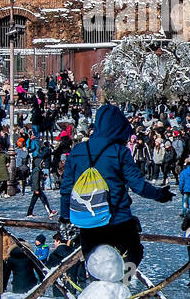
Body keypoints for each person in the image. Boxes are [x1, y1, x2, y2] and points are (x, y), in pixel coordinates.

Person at [59, 104, 173, 282]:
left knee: (95, 264)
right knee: (134, 252)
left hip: (87, 220)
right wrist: (160, 194)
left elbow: (66, 189)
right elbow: (138, 186)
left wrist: (65, 217)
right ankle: (122, 286)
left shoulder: (78, 151)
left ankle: (100, 296)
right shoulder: (119, 152)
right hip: (117, 219)